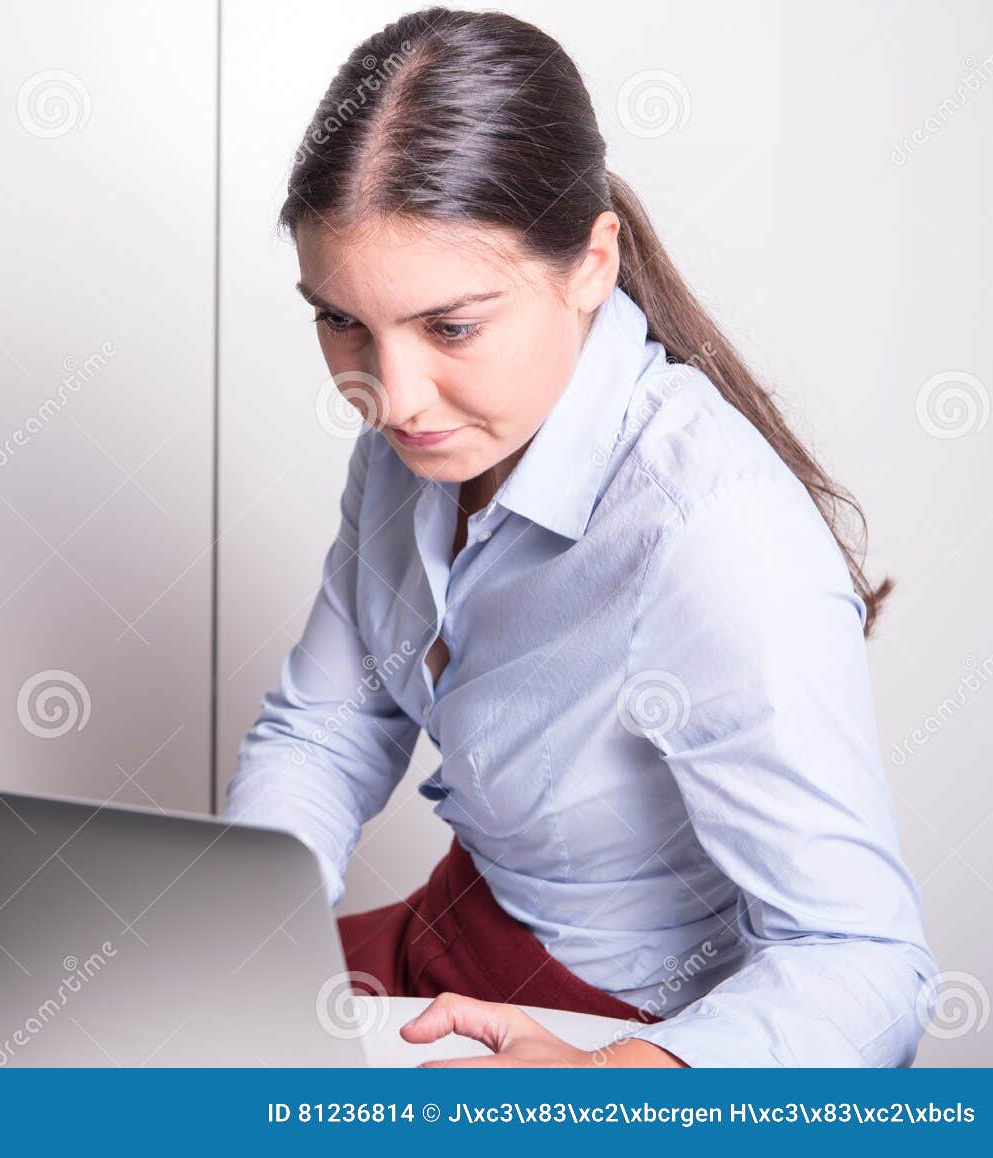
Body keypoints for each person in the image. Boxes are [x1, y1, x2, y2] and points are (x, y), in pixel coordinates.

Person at [224, 6, 937, 1067]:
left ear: (591, 261)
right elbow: (329, 729)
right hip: (446, 944)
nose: (390, 392)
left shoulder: (713, 535)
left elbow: (867, 962)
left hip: (623, 1036)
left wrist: (626, 1086)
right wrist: (231, 937)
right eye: (342, 321)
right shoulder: (421, 439)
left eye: (451, 325)